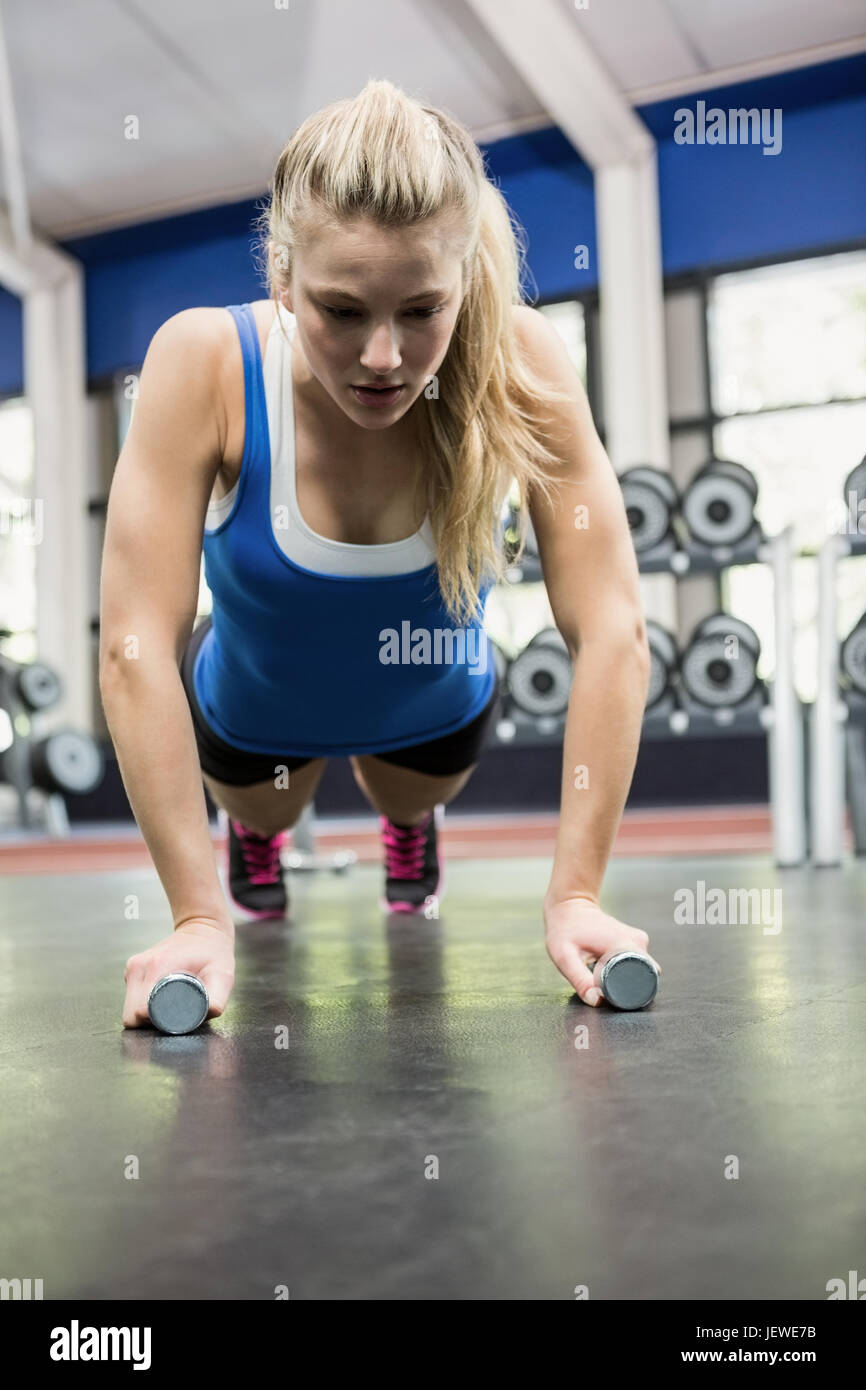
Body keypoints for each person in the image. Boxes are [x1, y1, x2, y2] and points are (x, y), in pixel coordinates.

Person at [99, 79, 657, 1030]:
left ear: (465, 287)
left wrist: (575, 893)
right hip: (253, 712)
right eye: (343, 312)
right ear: (282, 276)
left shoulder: (522, 358)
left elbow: (612, 626)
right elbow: (135, 643)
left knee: (408, 791)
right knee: (268, 810)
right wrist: (198, 915)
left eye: (423, 310)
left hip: (429, 710)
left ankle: (409, 829)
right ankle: (255, 844)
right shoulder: (204, 362)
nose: (386, 358)